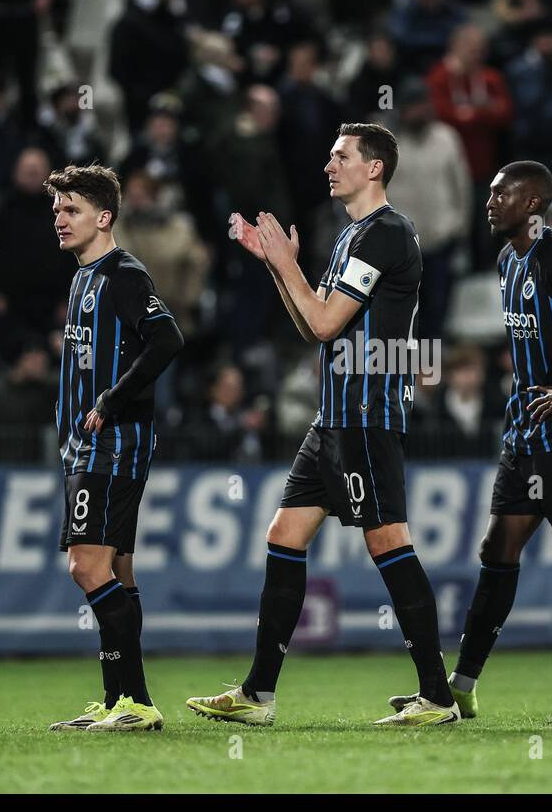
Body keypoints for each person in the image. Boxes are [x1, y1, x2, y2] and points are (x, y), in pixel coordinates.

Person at [186, 123, 461, 727]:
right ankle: (258, 695)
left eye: (341, 156)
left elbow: (328, 322)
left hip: (366, 413)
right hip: (333, 417)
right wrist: (275, 266)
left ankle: (438, 696)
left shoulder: (386, 233)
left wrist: (287, 265)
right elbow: (313, 325)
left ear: (375, 169)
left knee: (388, 541)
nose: (328, 165)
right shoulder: (352, 235)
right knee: (285, 535)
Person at [387, 161, 552, 722]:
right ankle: (461, 687)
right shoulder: (505, 259)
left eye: (502, 194)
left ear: (534, 202)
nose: (489, 202)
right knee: (497, 550)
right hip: (525, 430)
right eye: (489, 193)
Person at [46, 165, 186, 733]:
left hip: (114, 444)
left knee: (86, 566)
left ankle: (136, 703)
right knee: (119, 571)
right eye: (56, 210)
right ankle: (120, 701)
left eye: (71, 209)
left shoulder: (123, 273)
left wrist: (110, 400)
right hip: (86, 445)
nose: (59, 218)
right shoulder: (83, 276)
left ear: (104, 218)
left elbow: (168, 338)